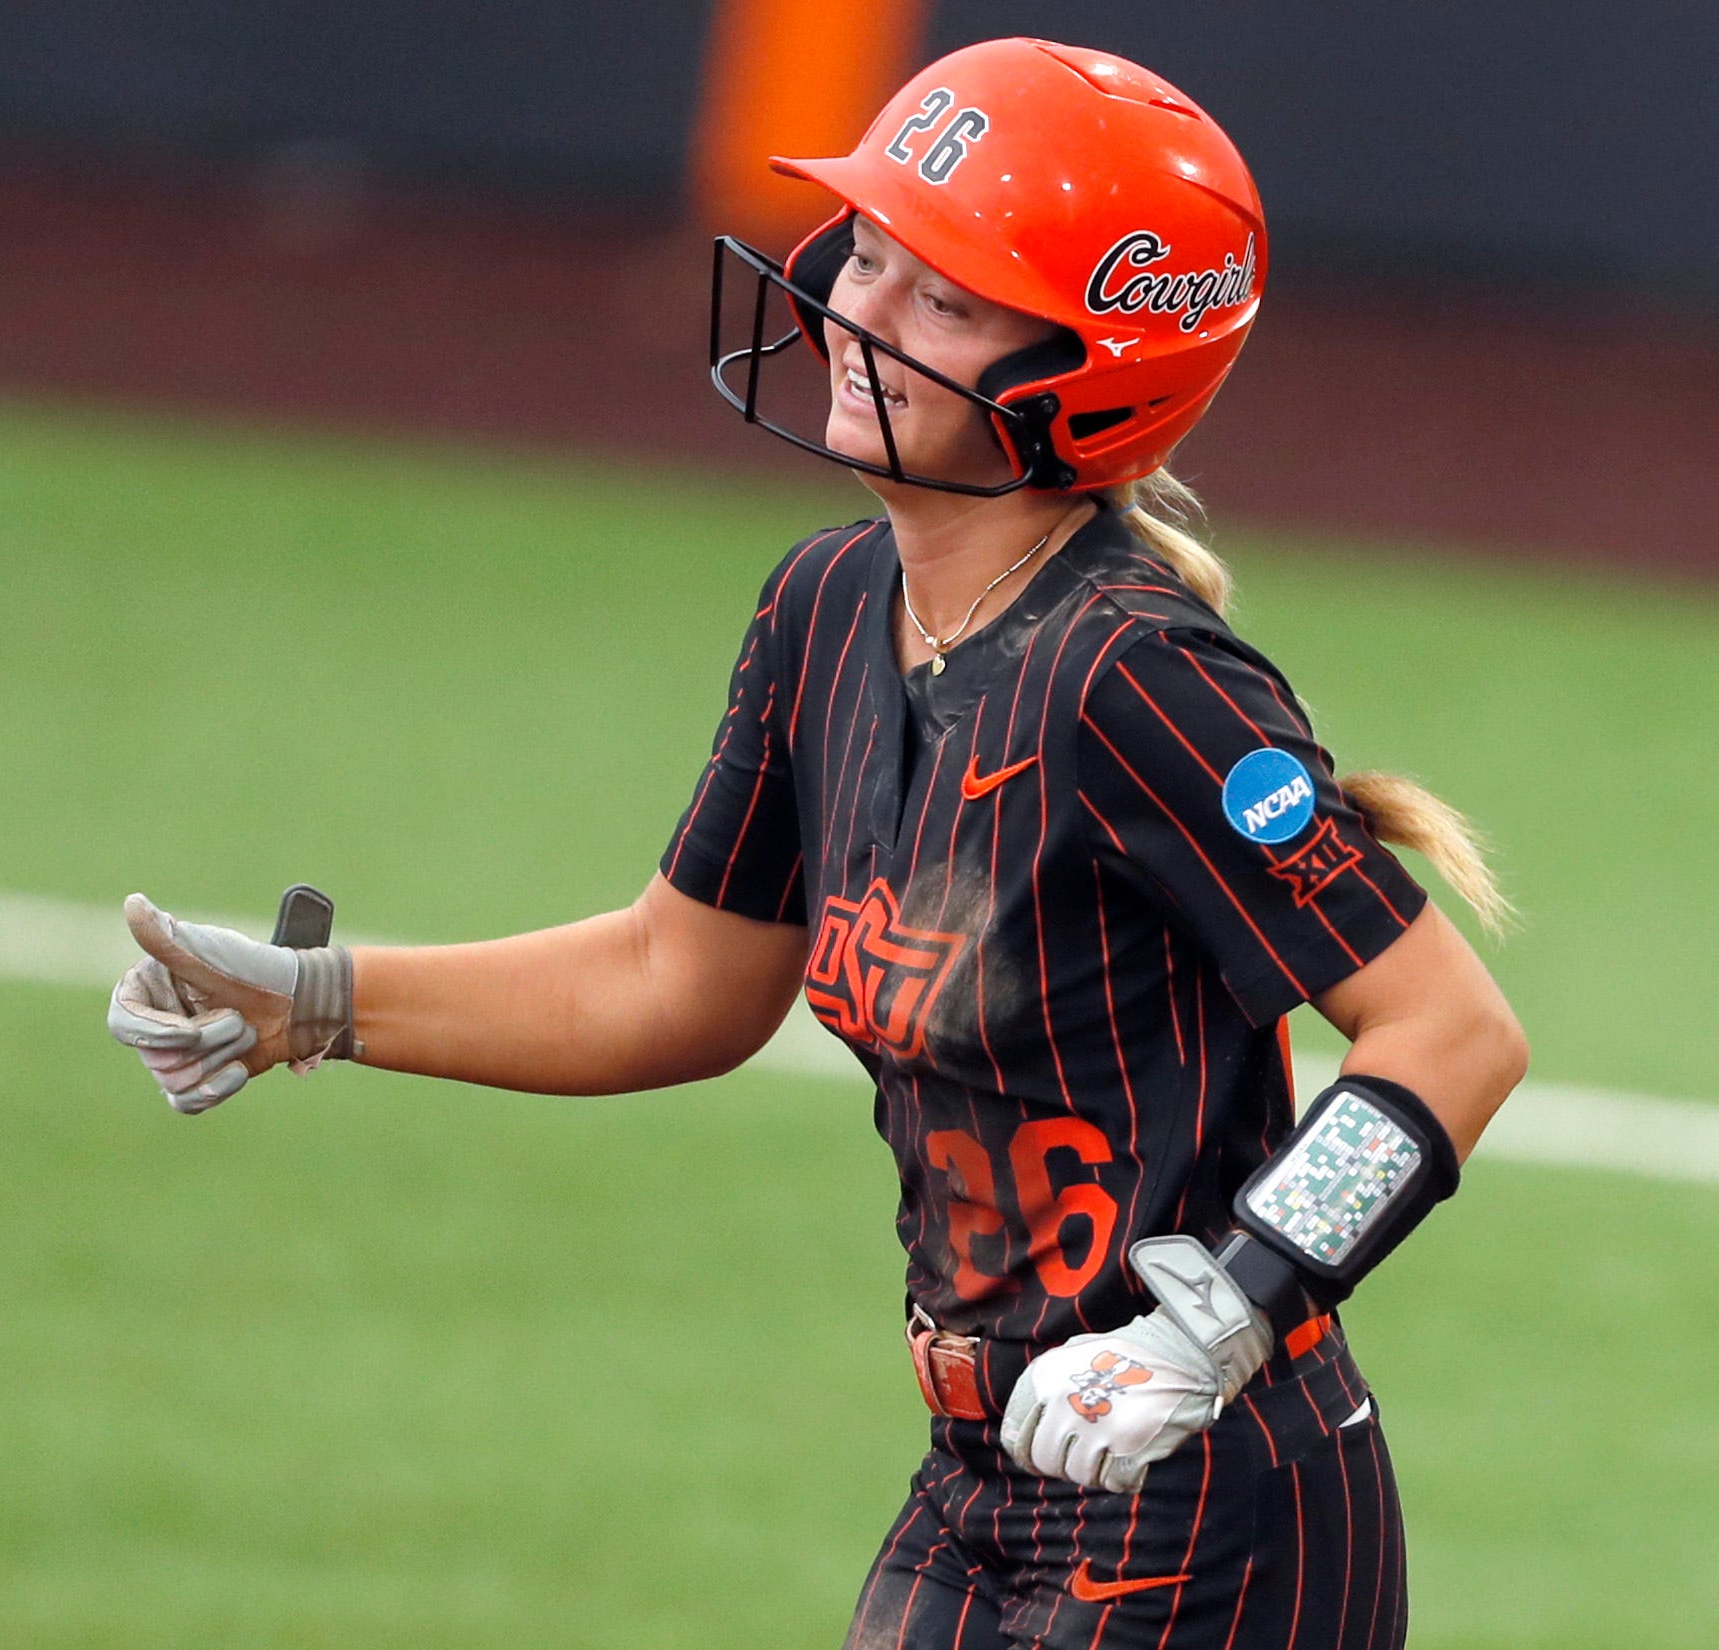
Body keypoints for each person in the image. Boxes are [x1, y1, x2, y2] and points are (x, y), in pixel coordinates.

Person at [106, 36, 1527, 1650]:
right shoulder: (827, 608)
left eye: (942, 294)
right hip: (980, 1476)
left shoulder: (1139, 678)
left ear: (1085, 363)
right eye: (869, 254)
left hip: (1214, 1498)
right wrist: (324, 999)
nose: (855, 308)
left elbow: (1452, 1032)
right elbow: (677, 977)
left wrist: (1220, 1316)